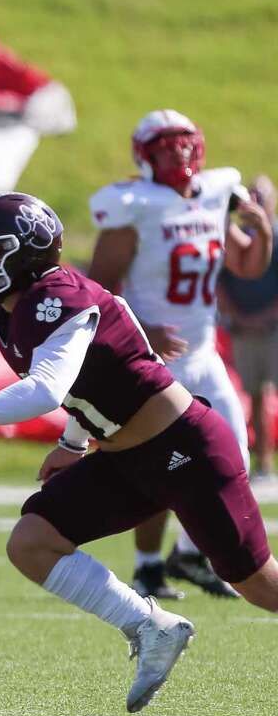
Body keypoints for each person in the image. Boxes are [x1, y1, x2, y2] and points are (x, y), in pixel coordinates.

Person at [0, 191, 278, 712]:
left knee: (260, 586)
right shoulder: (7, 314)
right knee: (32, 541)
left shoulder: (57, 297)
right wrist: (73, 444)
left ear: (21, 255)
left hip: (185, 449)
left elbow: (48, 388)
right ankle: (152, 628)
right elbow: (86, 383)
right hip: (127, 460)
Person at [87, 110, 272, 600]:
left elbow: (245, 266)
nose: (180, 154)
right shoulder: (135, 205)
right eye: (167, 145)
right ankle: (149, 565)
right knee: (161, 465)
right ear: (144, 154)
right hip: (152, 356)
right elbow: (97, 289)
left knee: (233, 451)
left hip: (203, 353)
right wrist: (140, 328)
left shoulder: (212, 197)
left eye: (186, 143)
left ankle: (190, 554)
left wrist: (264, 232)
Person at [220, 175, 278, 482]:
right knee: (254, 395)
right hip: (244, 328)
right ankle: (265, 463)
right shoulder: (237, 236)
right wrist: (240, 318)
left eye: (261, 197)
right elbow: (221, 282)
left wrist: (264, 318)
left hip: (273, 329)